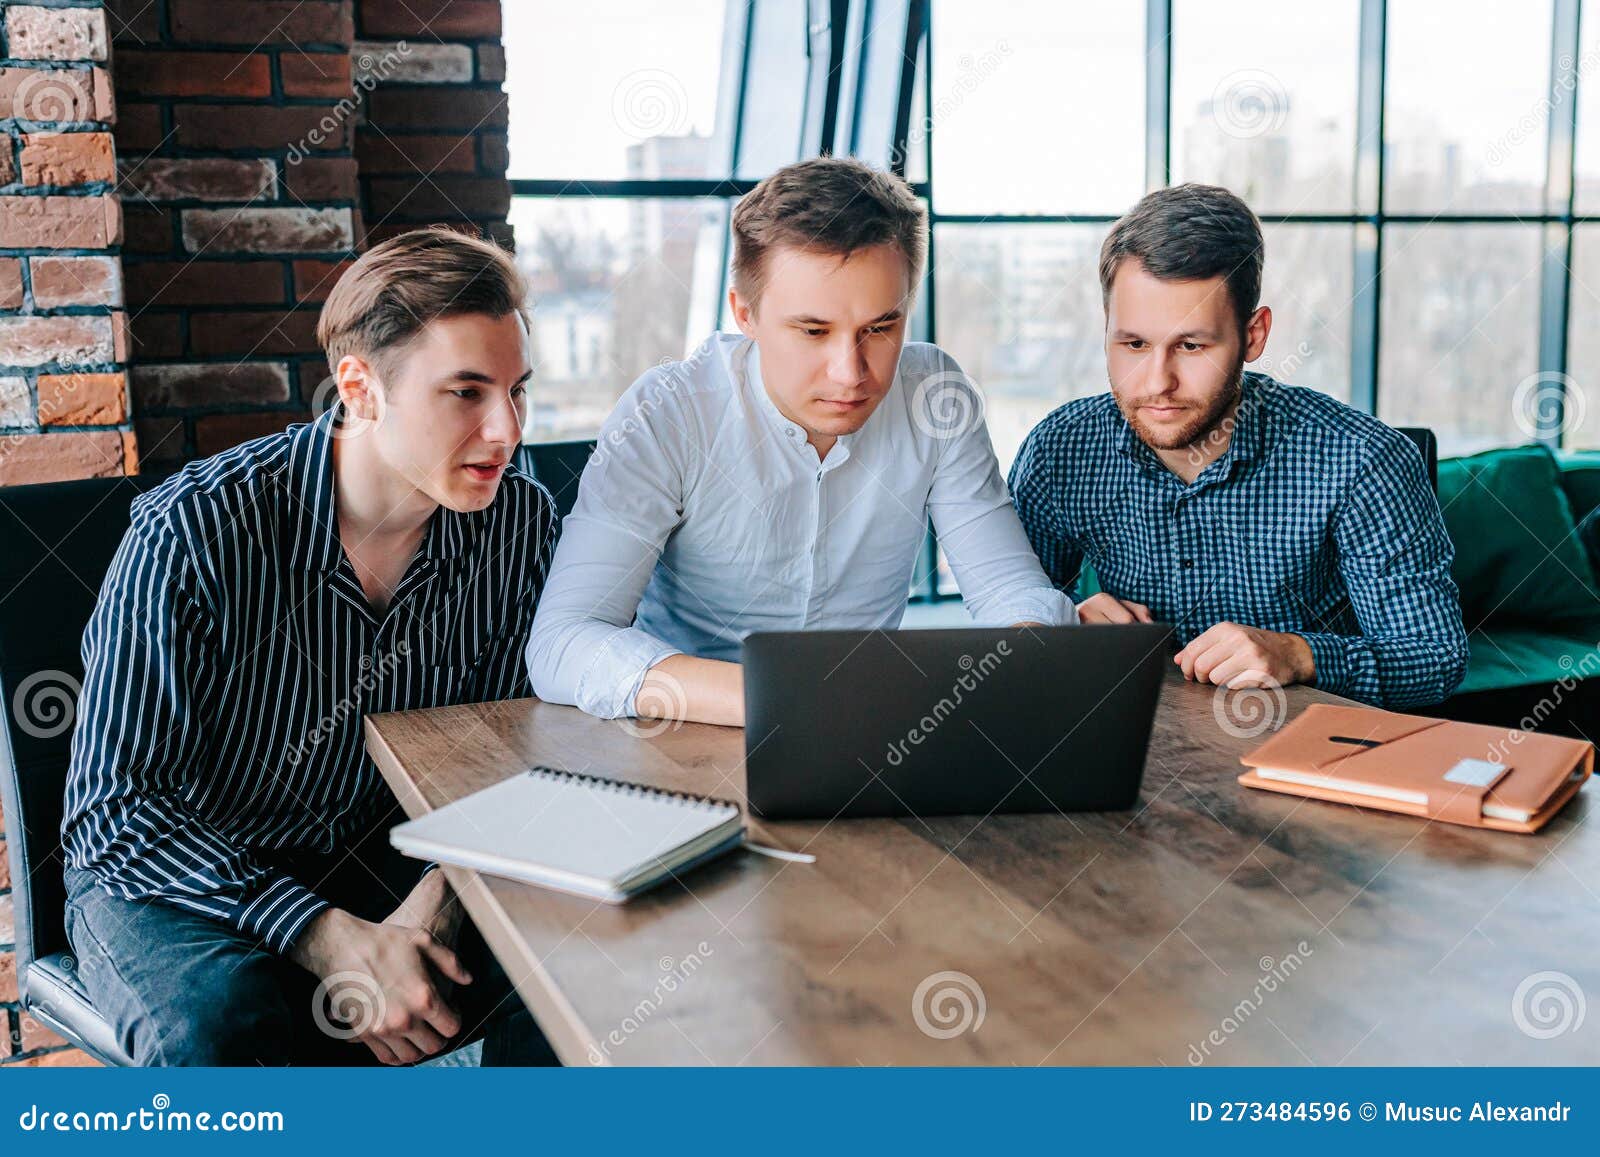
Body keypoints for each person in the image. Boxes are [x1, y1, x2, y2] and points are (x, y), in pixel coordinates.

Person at [61, 228, 559, 1065]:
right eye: (466, 392)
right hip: (179, 873)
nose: (506, 429)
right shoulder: (197, 529)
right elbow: (113, 812)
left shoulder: (519, 523)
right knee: (225, 1022)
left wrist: (437, 900)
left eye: (518, 390)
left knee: (568, 961)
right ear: (362, 390)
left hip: (377, 853)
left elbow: (507, 748)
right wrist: (327, 937)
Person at [527, 156, 1074, 727]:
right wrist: (786, 699)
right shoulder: (668, 411)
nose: (851, 372)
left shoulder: (934, 396)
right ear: (746, 312)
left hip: (871, 735)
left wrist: (1023, 653)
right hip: (682, 731)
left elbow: (1012, 590)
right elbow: (562, 643)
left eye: (880, 328)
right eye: (813, 331)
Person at [1008, 183, 1467, 708]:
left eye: (1191, 345)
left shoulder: (1362, 460)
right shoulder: (1062, 449)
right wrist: (1062, 625)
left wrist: (1299, 655)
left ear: (1254, 334)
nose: (1158, 382)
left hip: (1308, 759)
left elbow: (1434, 656)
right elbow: (1012, 618)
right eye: (1134, 344)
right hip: (1134, 748)